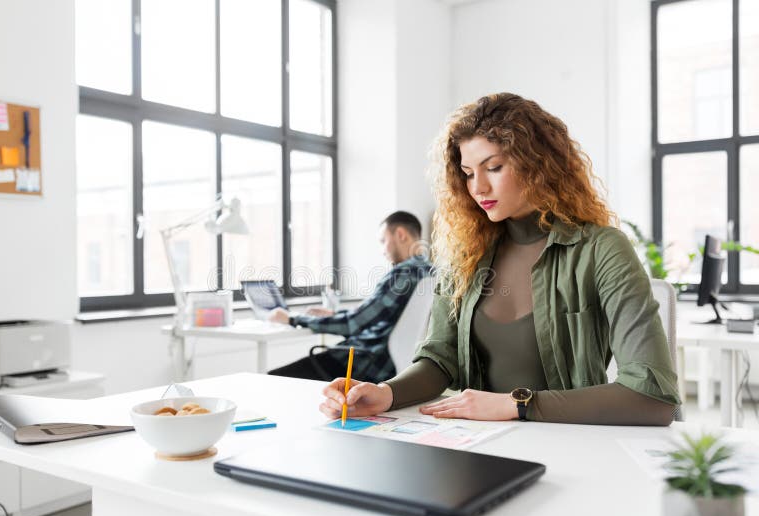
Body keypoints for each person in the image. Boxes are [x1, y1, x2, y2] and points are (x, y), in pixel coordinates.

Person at [320, 93, 681, 426]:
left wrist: (518, 404)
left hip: (569, 442)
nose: (477, 188)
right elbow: (439, 360)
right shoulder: (465, 255)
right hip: (475, 442)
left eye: (493, 167)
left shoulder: (602, 249)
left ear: (538, 164)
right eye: (468, 173)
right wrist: (386, 393)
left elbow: (653, 397)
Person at [267, 211, 433, 382]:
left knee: (272, 379)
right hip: (388, 365)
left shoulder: (404, 273)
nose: (382, 250)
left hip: (361, 363)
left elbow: (353, 324)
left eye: (383, 241)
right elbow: (374, 316)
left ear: (400, 234)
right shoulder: (428, 271)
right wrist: (334, 315)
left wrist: (293, 319)